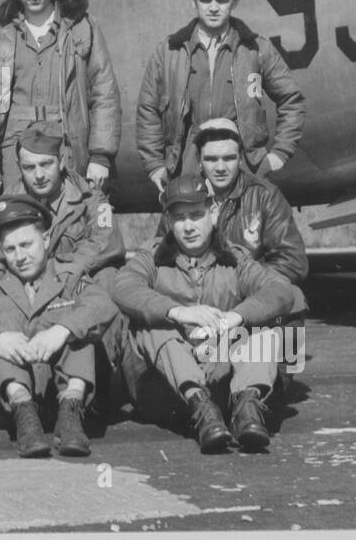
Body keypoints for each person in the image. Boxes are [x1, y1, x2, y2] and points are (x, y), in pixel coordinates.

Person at [105, 174, 293, 454]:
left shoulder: (235, 258)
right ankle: (200, 406)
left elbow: (281, 290)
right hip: (165, 391)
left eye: (196, 214)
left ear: (213, 213)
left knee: (263, 327)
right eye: (179, 218)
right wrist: (177, 312)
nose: (189, 226)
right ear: (168, 221)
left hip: (220, 378)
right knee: (154, 326)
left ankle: (248, 408)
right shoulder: (152, 257)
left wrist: (236, 317)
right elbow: (122, 286)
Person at [0, 195, 118, 458]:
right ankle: (25, 418)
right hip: (9, 402)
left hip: (60, 391)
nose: (19, 256)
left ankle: (71, 415)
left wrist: (61, 331)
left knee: (78, 332)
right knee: (4, 341)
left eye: (26, 245)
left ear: (46, 240)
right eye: (10, 249)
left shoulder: (67, 273)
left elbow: (102, 304)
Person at [0, 0, 120, 199]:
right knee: (19, 227)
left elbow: (105, 93)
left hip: (66, 143)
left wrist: (101, 155)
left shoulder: (82, 28)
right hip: (15, 150)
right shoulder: (0, 36)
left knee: (71, 222)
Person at [135, 0, 305, 193]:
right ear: (192, 1)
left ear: (235, 1)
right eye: (206, 0)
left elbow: (291, 99)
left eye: (222, 0)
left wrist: (279, 154)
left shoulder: (256, 49)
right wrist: (155, 165)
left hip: (243, 168)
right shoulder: (169, 52)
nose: (213, 8)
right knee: (191, 229)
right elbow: (147, 110)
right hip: (187, 169)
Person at [195, 118, 308, 315]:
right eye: (211, 159)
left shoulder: (265, 196)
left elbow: (293, 262)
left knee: (294, 299)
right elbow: (160, 259)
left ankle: (265, 344)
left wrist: (239, 286)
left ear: (240, 158)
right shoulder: (184, 197)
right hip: (198, 301)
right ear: (199, 160)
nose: (220, 168)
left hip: (250, 297)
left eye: (228, 158)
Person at [6, 124, 124, 286]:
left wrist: (58, 270)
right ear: (19, 166)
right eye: (29, 167)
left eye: (46, 164)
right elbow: (0, 255)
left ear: (61, 161)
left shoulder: (89, 197)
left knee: (108, 276)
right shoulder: (8, 205)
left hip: (77, 281)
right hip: (28, 284)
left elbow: (106, 243)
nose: (39, 175)